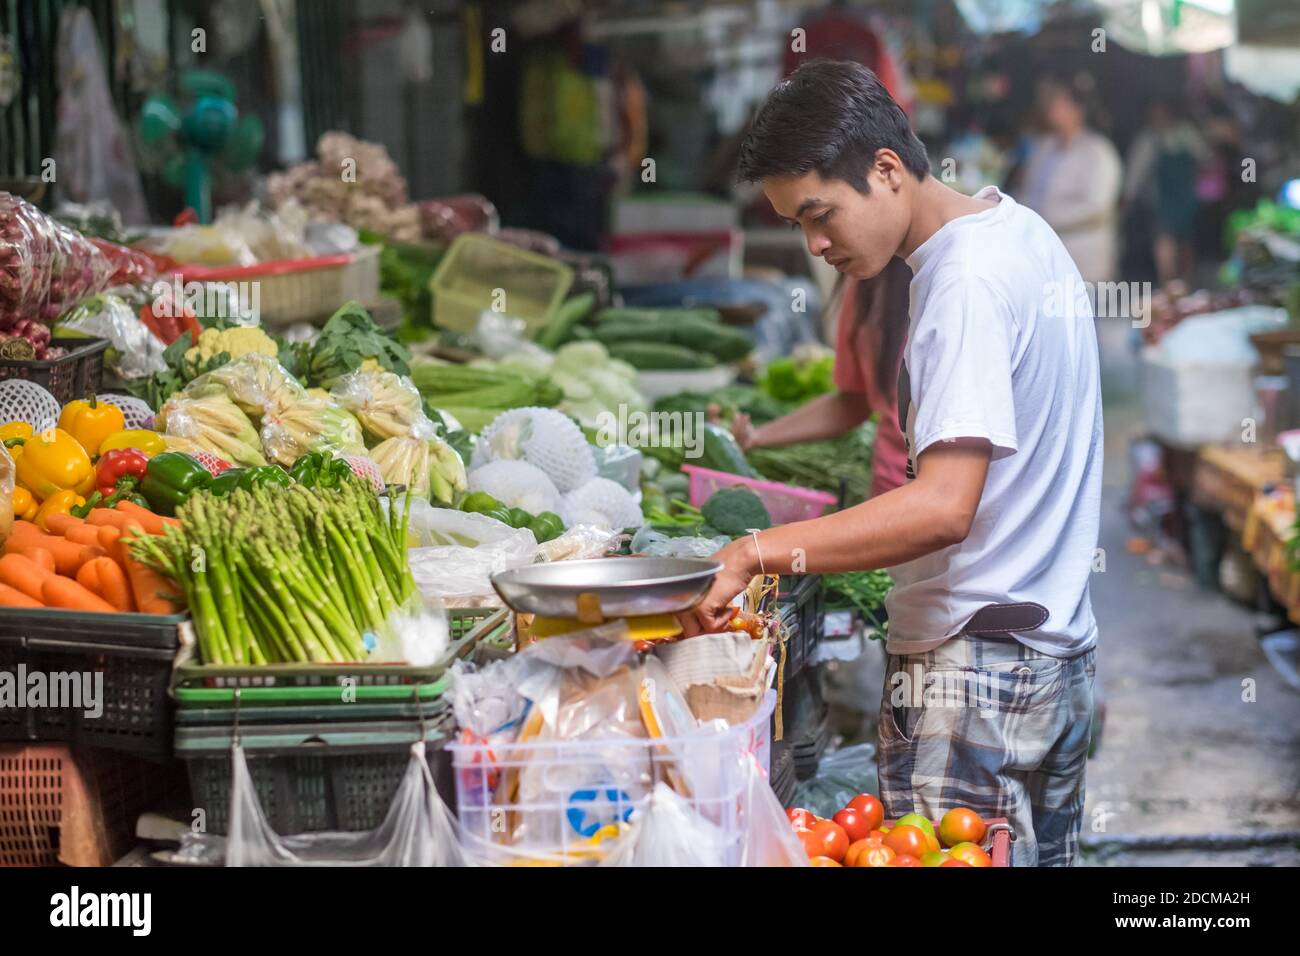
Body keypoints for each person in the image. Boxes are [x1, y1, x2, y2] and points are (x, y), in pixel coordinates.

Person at [683, 59, 1103, 867]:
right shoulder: (1018, 230)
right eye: (795, 223)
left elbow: (944, 506)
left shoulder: (962, 286)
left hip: (974, 675)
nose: (814, 243)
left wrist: (753, 551)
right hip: (1051, 653)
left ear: (885, 170)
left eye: (820, 214)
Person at [729, 260, 911, 500]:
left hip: (929, 511)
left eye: (820, 220)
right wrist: (759, 436)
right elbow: (852, 401)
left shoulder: (957, 281)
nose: (815, 245)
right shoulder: (863, 283)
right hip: (886, 496)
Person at [1017, 78, 1123, 290]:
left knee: (1086, 317)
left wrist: (1048, 218)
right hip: (1043, 258)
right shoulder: (1043, 148)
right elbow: (1027, 192)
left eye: (1060, 104)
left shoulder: (1098, 152)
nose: (1052, 111)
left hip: (1085, 258)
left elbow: (1097, 207)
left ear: (1078, 111)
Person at [1124, 100, 1207, 286]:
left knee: (1186, 241)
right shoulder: (1147, 140)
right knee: (1164, 239)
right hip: (1162, 202)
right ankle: (1168, 283)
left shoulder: (1186, 133)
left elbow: (1205, 158)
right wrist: (1128, 197)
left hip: (1186, 199)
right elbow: (1135, 173)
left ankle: (1186, 281)